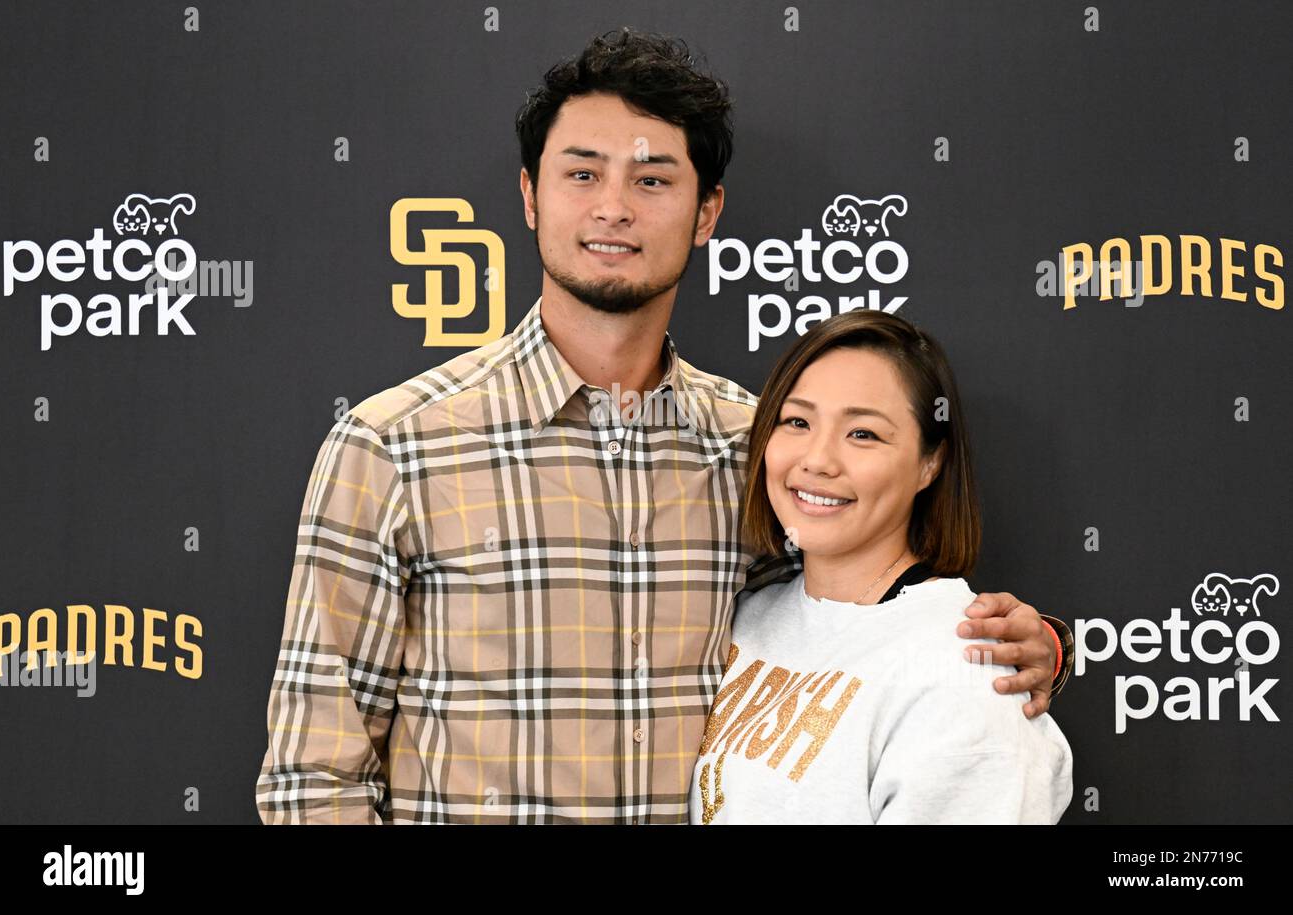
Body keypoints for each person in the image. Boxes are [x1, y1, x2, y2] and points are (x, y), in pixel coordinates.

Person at [255, 27, 1073, 825]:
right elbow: (311, 777)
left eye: (652, 181)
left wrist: (1035, 651)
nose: (613, 207)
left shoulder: (756, 449)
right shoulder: (393, 446)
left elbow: (848, 628)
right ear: (531, 195)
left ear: (706, 210)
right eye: (582, 173)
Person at [690, 310, 1073, 824]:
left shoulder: (965, 670)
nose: (819, 459)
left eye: (863, 434)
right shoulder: (748, 614)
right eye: (797, 421)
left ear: (929, 463)